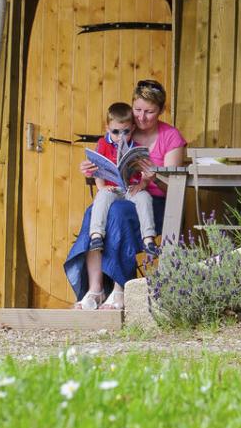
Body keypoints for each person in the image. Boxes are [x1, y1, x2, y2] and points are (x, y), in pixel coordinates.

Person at [64, 78, 186, 310]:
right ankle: (95, 288)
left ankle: (120, 289)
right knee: (94, 212)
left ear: (161, 110)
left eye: (149, 112)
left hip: (154, 205)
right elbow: (105, 164)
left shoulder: (171, 137)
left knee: (118, 212)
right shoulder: (125, 130)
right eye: (137, 110)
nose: (141, 117)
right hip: (120, 196)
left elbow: (174, 189)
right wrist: (90, 170)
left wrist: (154, 176)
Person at [87, 101, 157, 253]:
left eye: (126, 132)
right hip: (111, 188)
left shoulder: (136, 147)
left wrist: (143, 184)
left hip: (131, 188)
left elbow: (145, 172)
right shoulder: (102, 143)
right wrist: (101, 186)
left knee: (145, 197)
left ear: (132, 128)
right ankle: (96, 235)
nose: (121, 137)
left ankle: (148, 239)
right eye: (115, 132)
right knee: (101, 197)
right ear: (107, 128)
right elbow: (97, 167)